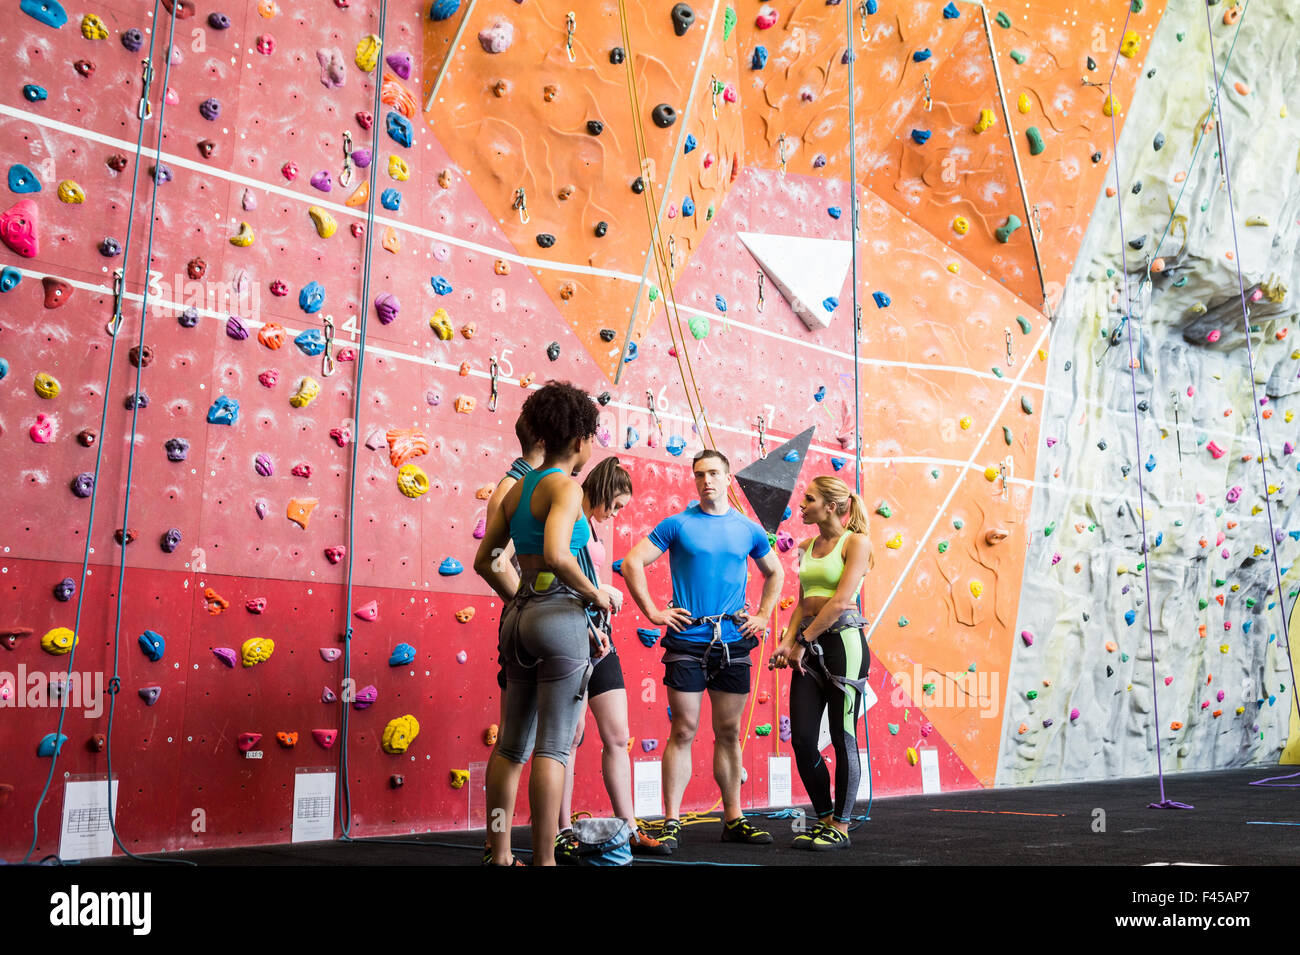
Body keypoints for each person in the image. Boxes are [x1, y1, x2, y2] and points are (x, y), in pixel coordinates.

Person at [473, 382, 612, 866]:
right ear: (579, 441)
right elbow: (557, 553)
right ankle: (545, 860)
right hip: (560, 618)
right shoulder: (566, 487)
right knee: (553, 748)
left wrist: (524, 599)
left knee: (510, 746)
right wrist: (597, 592)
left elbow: (487, 561)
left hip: (519, 618)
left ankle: (499, 848)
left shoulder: (516, 491)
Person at [620, 448, 784, 852]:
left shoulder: (747, 529)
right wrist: (655, 612)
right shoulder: (678, 524)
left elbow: (775, 571)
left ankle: (734, 819)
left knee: (728, 733)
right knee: (684, 729)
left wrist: (763, 615)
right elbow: (631, 562)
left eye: (713, 473)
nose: (706, 480)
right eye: (699, 474)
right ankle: (672, 821)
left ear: (728, 478)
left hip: (733, 642)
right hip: (688, 642)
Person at [554, 457, 669, 860]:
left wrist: (601, 590)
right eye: (616, 505)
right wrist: (588, 616)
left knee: (618, 735)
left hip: (601, 638)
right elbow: (553, 576)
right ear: (602, 490)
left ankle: (630, 829)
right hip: (575, 635)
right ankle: (563, 831)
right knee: (568, 738)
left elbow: (579, 575)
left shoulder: (588, 524)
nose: (616, 513)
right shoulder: (569, 519)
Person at [770, 476, 873, 851]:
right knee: (802, 740)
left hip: (844, 646)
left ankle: (842, 827)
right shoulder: (807, 546)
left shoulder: (856, 542)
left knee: (844, 737)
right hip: (808, 648)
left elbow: (841, 601)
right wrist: (786, 642)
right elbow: (804, 602)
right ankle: (825, 817)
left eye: (808, 499)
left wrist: (803, 641)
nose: (802, 504)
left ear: (830, 506)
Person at [486, 417, 545, 709]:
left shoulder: (525, 483)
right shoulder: (518, 487)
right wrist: (530, 609)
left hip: (533, 617)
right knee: (516, 736)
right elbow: (497, 561)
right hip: (530, 621)